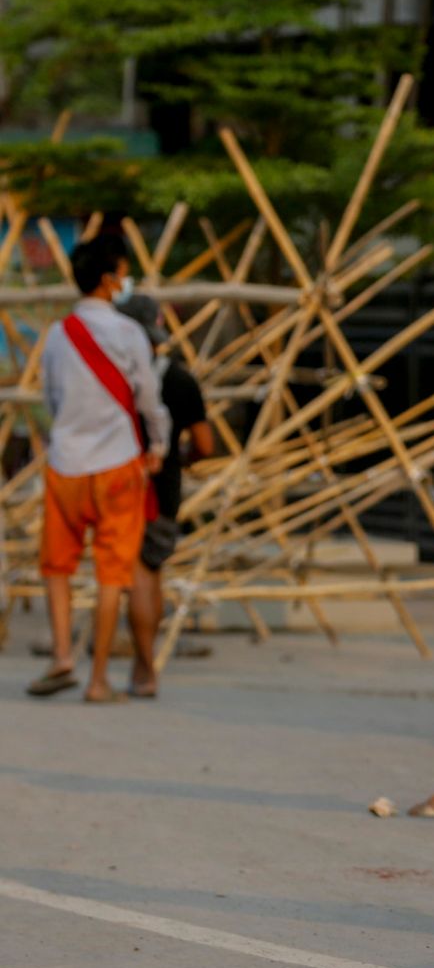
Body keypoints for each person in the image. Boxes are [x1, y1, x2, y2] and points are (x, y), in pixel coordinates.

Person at [30, 234, 170, 703]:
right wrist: (159, 443)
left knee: (57, 566)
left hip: (66, 463)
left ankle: (63, 654)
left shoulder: (56, 334)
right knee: (112, 575)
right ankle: (98, 680)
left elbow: (51, 398)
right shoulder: (129, 333)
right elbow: (148, 399)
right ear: (110, 280)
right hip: (117, 464)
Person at [117, 293, 215, 698]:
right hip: (166, 487)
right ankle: (145, 663)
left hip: (123, 482)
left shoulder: (115, 377)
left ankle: (142, 666)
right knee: (151, 572)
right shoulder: (179, 378)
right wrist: (181, 456)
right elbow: (206, 444)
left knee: (132, 576)